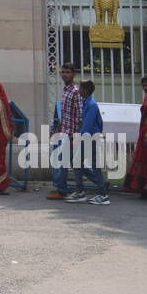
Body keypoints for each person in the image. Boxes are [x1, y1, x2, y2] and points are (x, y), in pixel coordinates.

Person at [68, 80, 110, 204]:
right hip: (89, 137)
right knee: (78, 162)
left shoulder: (91, 104)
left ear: (85, 91)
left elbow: (88, 124)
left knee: (92, 165)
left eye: (80, 88)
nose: (78, 90)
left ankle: (102, 194)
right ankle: (82, 191)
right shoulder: (86, 103)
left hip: (90, 138)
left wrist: (78, 138)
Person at [46, 64, 81, 201]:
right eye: (63, 72)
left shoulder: (75, 92)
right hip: (63, 132)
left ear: (74, 74)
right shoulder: (66, 91)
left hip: (70, 134)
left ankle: (61, 190)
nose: (65, 74)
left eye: (68, 72)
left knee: (62, 162)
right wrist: (56, 131)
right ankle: (100, 182)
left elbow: (79, 116)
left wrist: (75, 136)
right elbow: (64, 116)